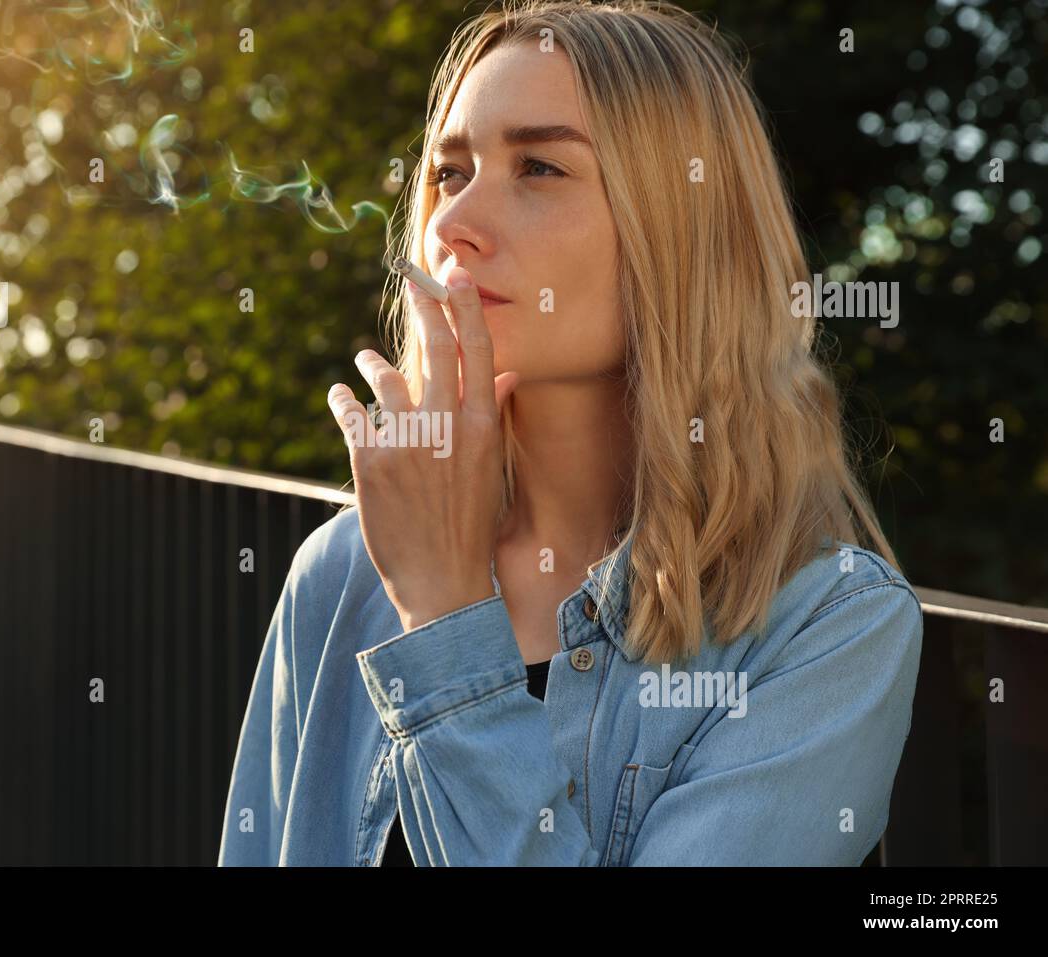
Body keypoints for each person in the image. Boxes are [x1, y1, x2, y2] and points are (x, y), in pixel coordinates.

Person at [218, 0, 923, 866]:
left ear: (684, 225)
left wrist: (443, 615)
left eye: (540, 167)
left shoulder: (824, 630)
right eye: (449, 173)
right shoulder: (344, 571)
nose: (450, 225)